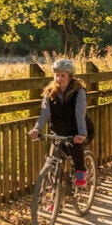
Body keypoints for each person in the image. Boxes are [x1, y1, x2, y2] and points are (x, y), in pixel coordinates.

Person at [27, 58, 89, 187]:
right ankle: (53, 198)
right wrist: (37, 129)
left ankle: (81, 174)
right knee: (52, 162)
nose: (59, 79)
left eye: (63, 75)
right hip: (58, 131)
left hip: (76, 129)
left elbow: (80, 113)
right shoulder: (50, 93)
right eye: (56, 75)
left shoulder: (79, 92)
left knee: (76, 152)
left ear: (70, 76)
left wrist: (82, 134)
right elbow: (44, 113)